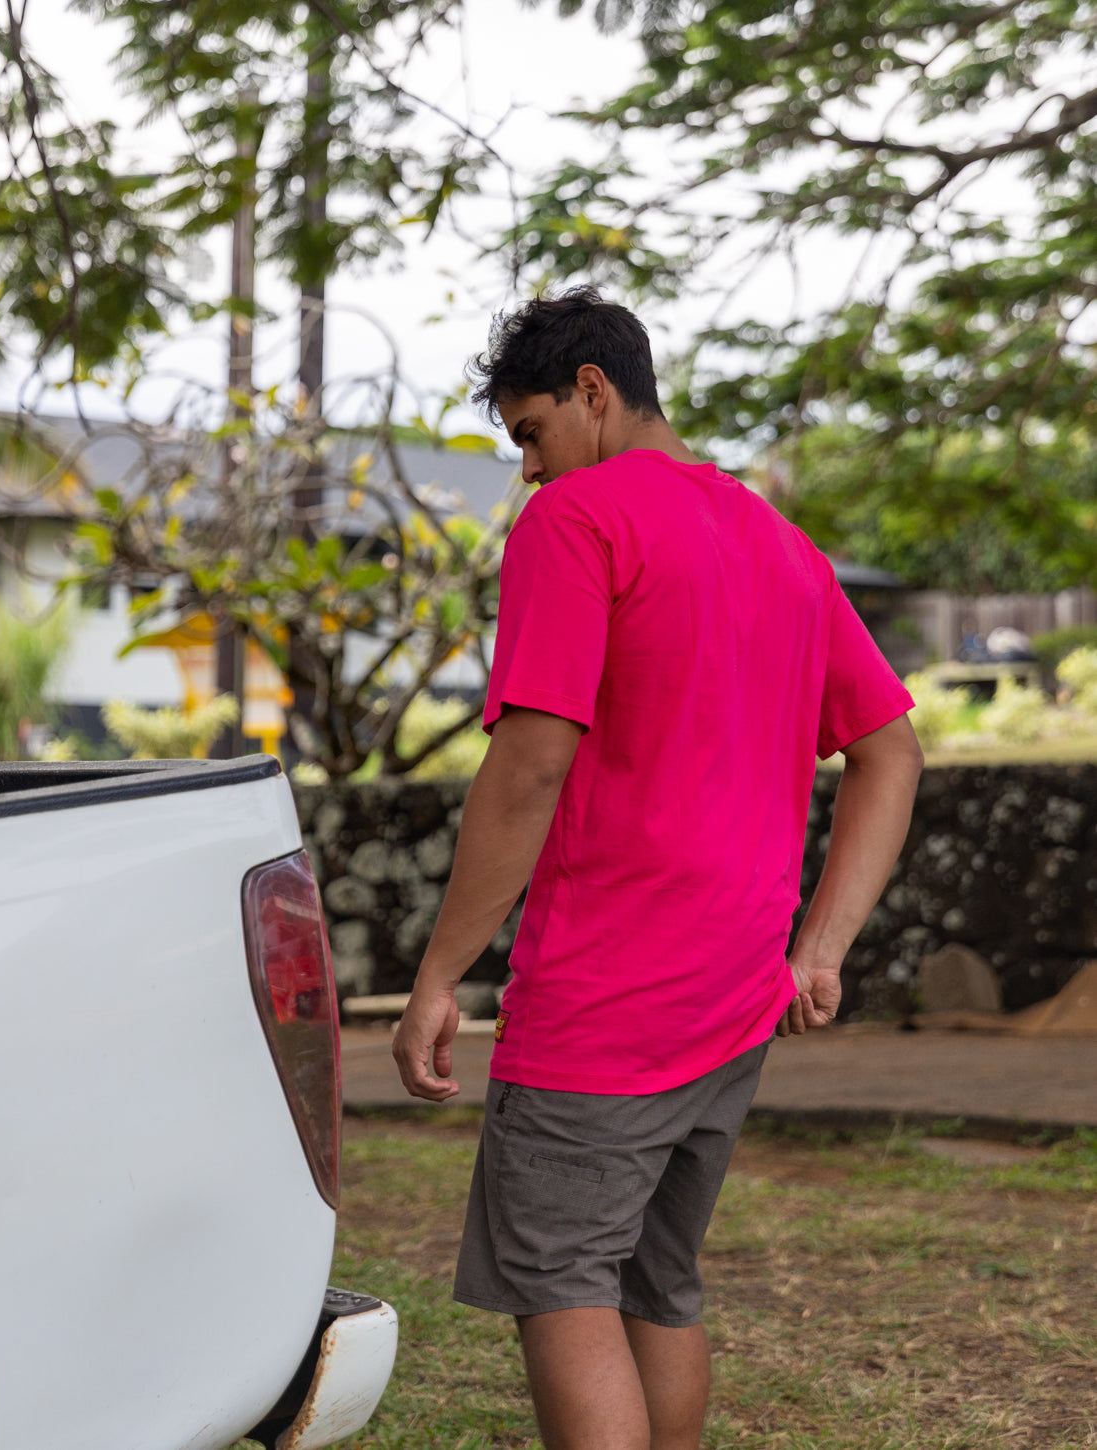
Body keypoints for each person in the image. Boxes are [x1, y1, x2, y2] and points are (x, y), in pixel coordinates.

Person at [391, 287, 923, 1450]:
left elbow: (532, 760)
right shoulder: (782, 544)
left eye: (529, 434)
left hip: (605, 994)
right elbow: (891, 749)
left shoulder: (576, 521)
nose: (527, 472)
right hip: (732, 994)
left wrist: (440, 972)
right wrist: (816, 947)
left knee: (566, 1286)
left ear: (592, 391)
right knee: (654, 1284)